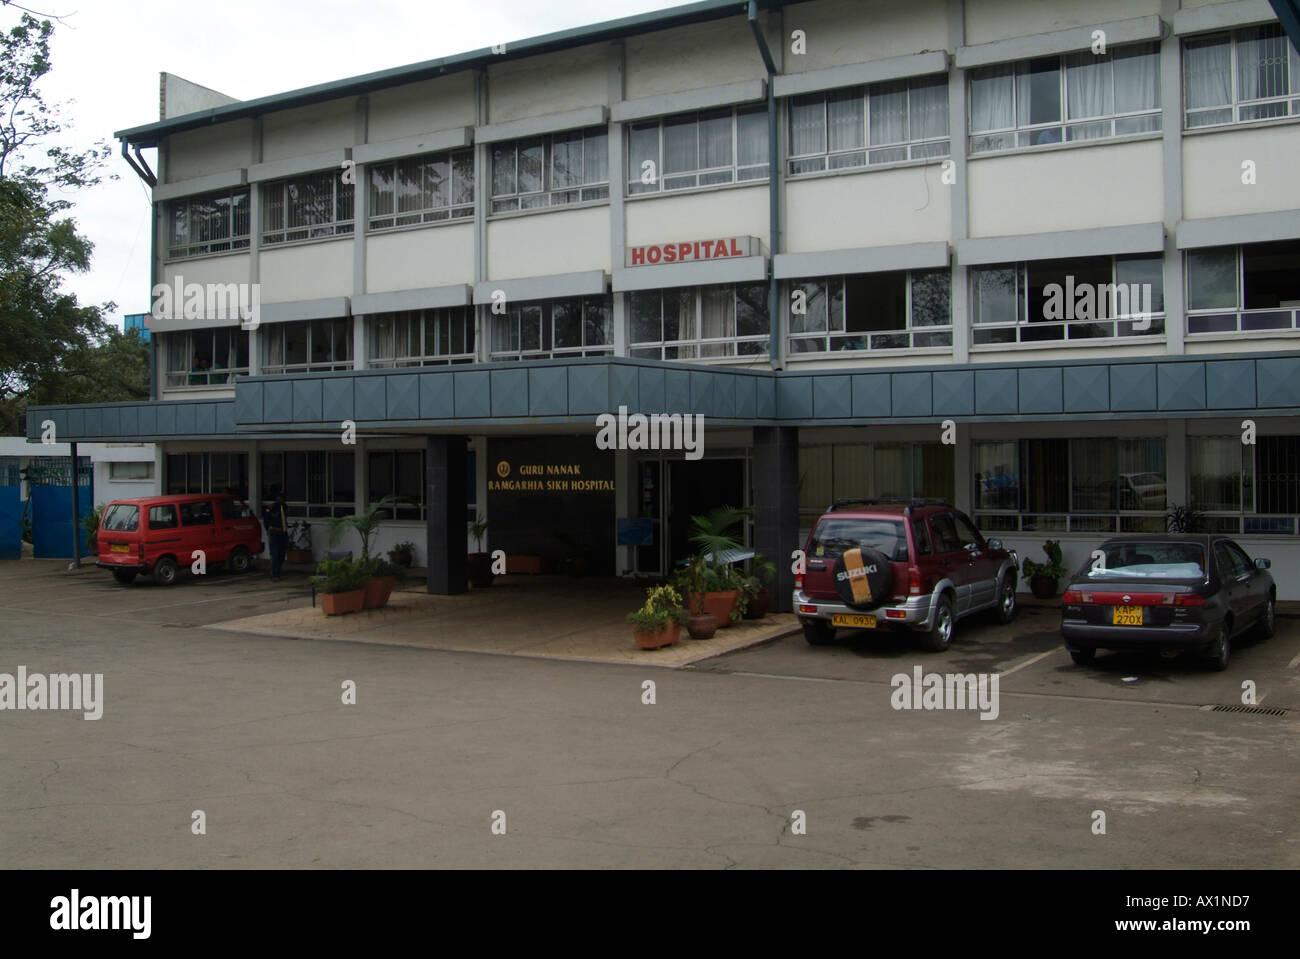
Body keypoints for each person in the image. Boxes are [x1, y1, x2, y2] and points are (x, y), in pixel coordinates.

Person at [262, 488, 289, 581]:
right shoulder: (271, 507)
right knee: (275, 553)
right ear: (276, 497)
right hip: (274, 532)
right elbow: (266, 520)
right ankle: (274, 574)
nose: (281, 499)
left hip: (283, 532)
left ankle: (278, 571)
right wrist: (269, 530)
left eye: (283, 497)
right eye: (279, 497)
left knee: (282, 554)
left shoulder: (285, 507)